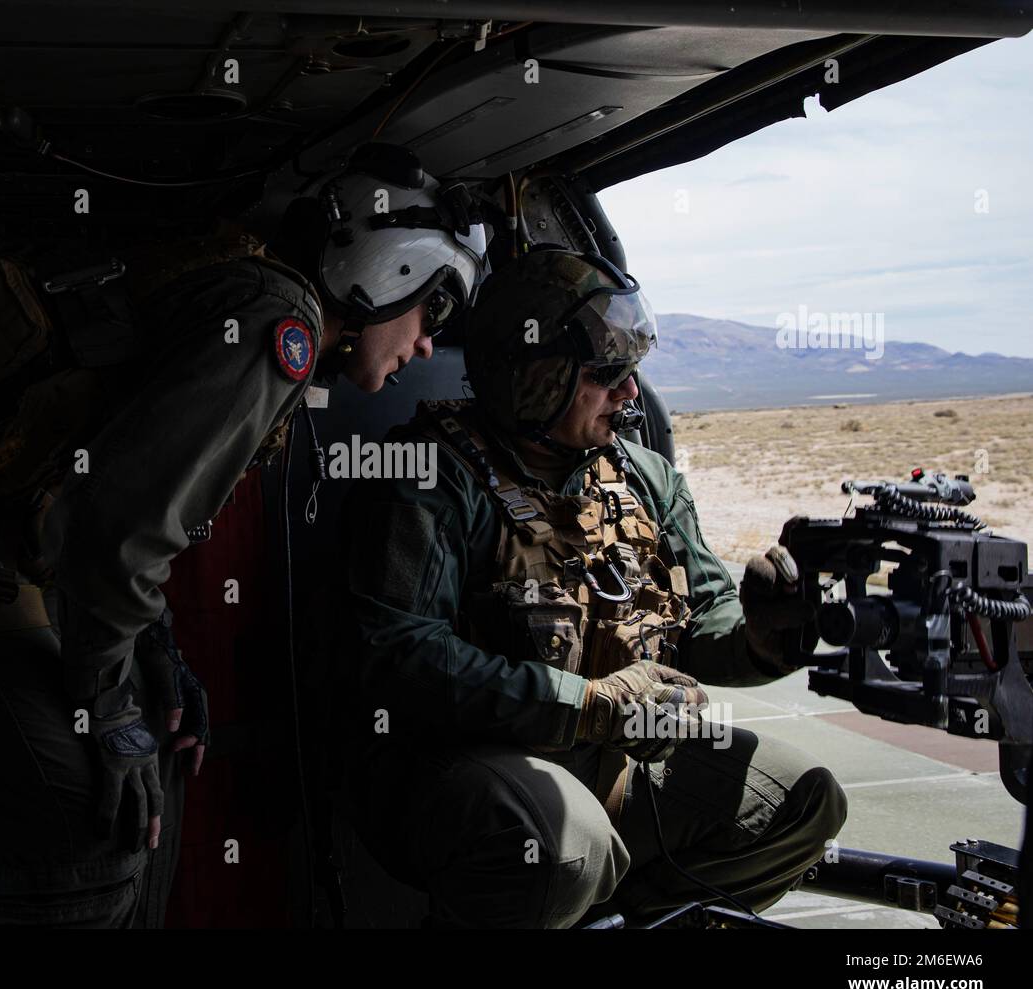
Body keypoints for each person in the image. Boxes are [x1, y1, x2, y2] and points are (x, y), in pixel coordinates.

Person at [0, 142, 487, 927]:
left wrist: (155, 658)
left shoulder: (254, 290)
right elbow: (104, 534)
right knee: (82, 831)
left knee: (150, 752)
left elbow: (112, 510)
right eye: (433, 310)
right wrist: (107, 706)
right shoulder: (278, 321)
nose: (427, 346)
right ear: (389, 271)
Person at [337, 247, 847, 928]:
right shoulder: (430, 475)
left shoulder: (641, 477)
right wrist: (586, 704)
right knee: (559, 847)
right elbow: (399, 654)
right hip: (452, 774)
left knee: (802, 800)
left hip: (613, 764)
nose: (631, 394)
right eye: (608, 375)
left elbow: (703, 624)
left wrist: (760, 639)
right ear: (537, 376)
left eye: (633, 373)